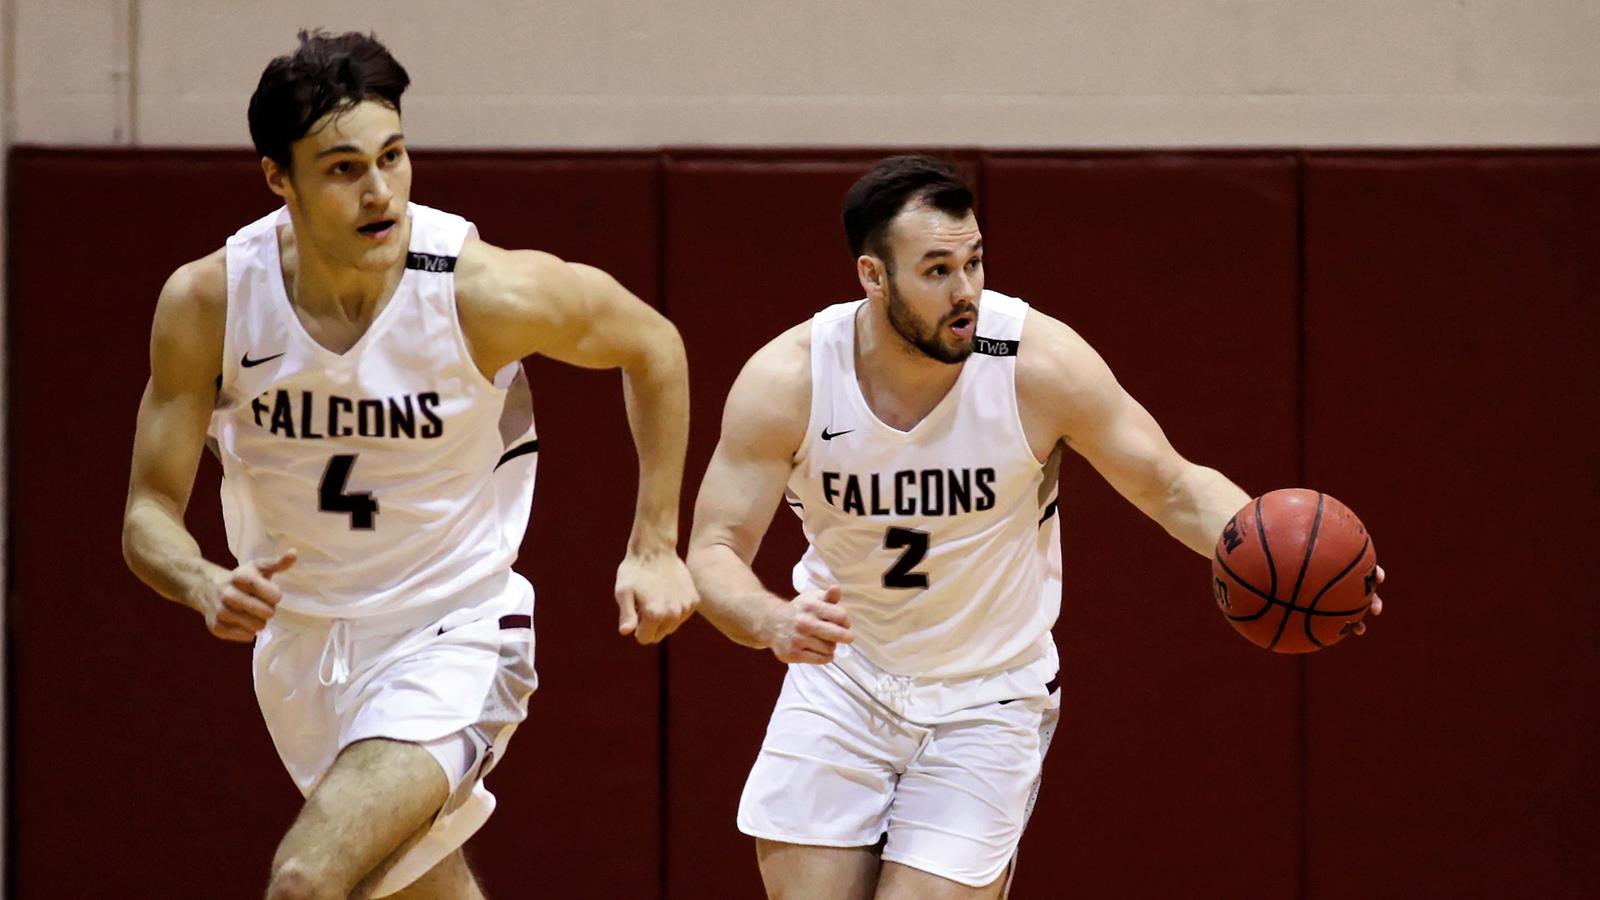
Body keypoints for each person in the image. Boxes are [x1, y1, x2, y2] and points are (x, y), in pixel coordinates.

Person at [686, 155, 1383, 899]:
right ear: (873, 276)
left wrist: (1289, 562)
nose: (966, 291)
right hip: (844, 683)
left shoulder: (1036, 362)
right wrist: (770, 619)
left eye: (974, 261)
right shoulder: (789, 380)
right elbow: (713, 550)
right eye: (937, 270)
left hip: (987, 697)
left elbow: (1173, 486)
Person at [121, 30, 697, 899]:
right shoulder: (212, 302)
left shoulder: (474, 291)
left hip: (451, 632)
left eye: (393, 156)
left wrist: (655, 542)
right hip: (302, 651)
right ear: (279, 178)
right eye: (343, 168)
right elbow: (145, 514)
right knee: (415, 890)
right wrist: (202, 581)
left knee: (310, 880)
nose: (380, 190)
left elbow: (653, 345)